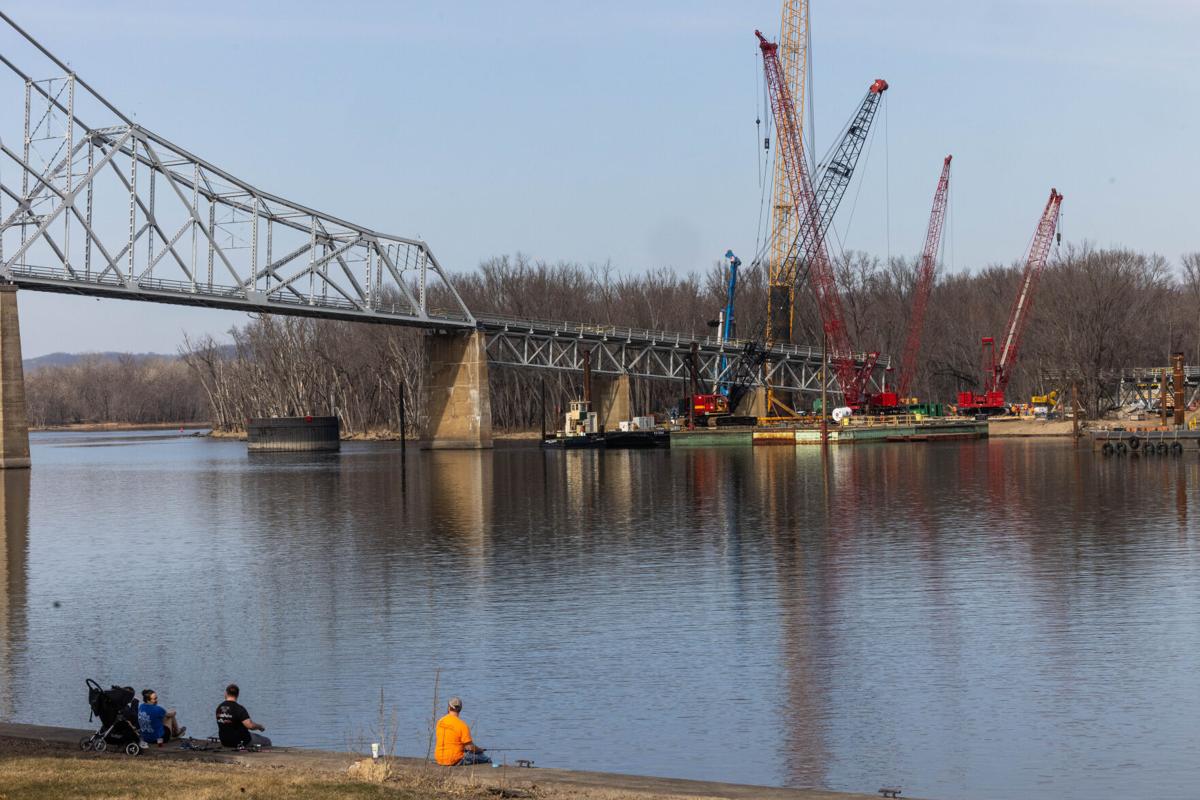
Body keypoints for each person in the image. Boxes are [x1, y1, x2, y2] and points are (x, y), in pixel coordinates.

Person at [435, 696, 489, 766]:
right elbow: (470, 747)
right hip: (454, 760)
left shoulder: (440, 721)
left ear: (449, 708)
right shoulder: (462, 725)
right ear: (460, 709)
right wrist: (480, 750)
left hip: (439, 758)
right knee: (485, 758)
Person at [215, 683, 271, 749]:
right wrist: (260, 726)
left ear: (226, 694)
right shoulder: (239, 709)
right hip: (241, 741)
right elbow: (250, 726)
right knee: (267, 741)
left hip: (225, 742)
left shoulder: (219, 708)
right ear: (237, 695)